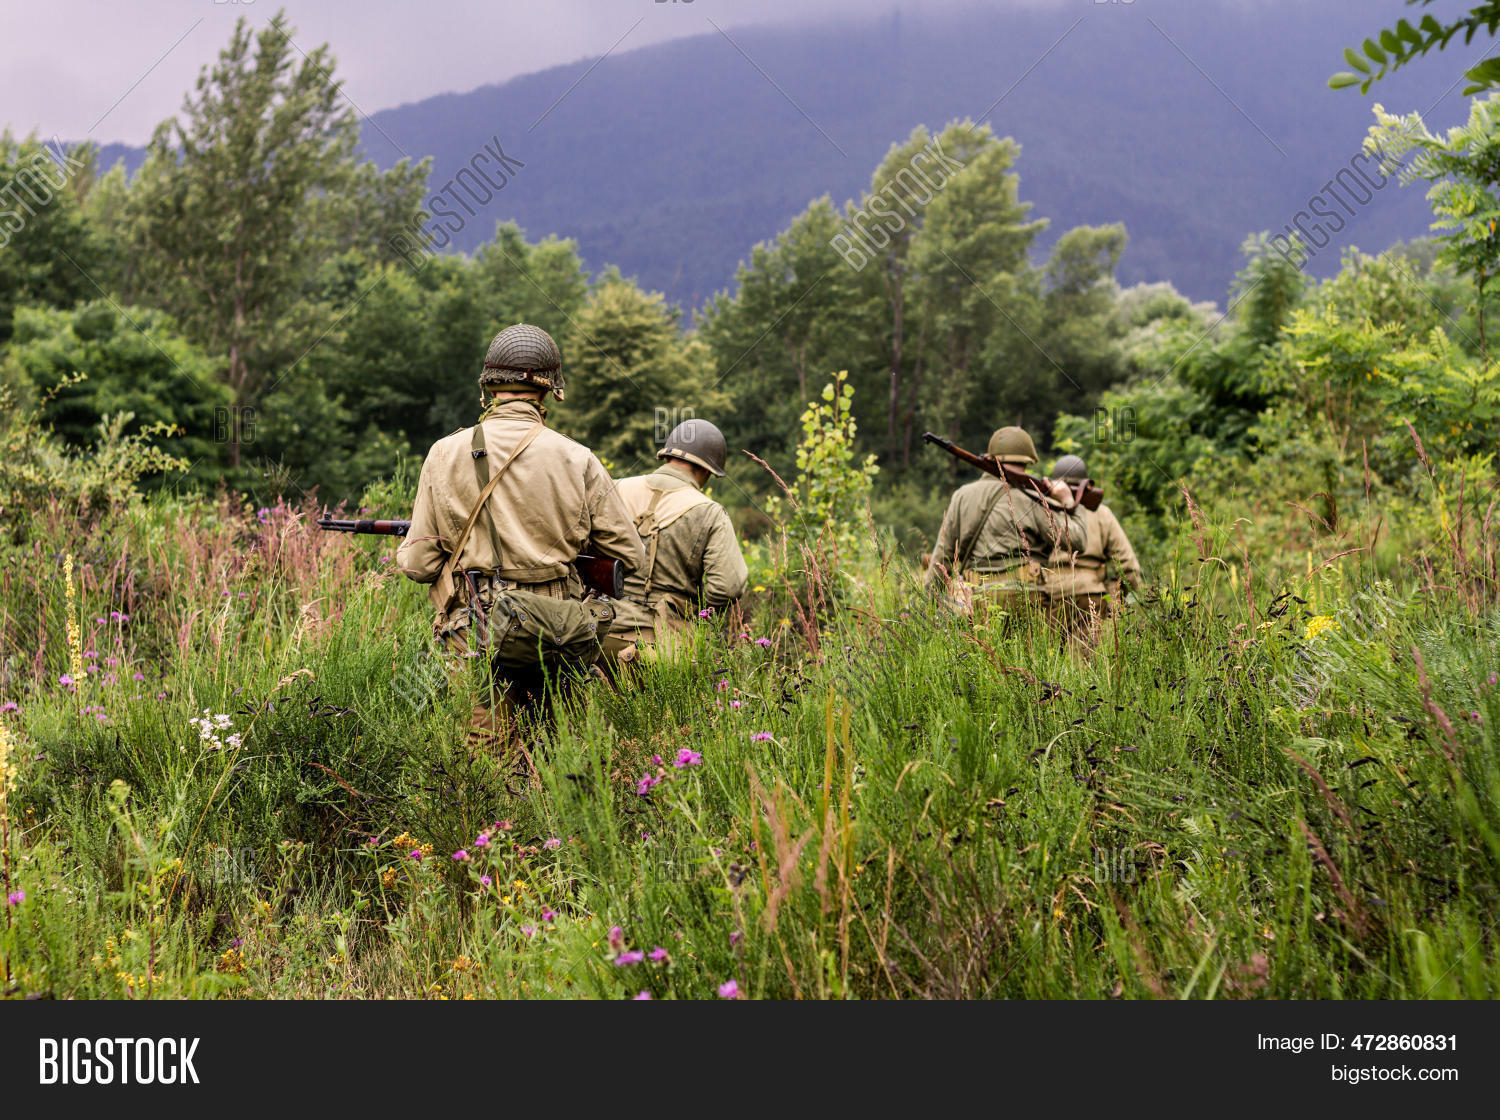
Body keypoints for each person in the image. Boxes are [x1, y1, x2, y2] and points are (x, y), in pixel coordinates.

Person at [395, 323, 645, 764]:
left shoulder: (443, 452)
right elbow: (630, 557)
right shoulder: (577, 457)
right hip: (557, 629)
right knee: (560, 758)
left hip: (475, 627)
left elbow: (417, 565)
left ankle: (493, 832)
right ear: (549, 391)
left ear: (489, 386)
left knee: (485, 764)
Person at [604, 418, 749, 668]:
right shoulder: (709, 512)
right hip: (665, 646)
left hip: (599, 634)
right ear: (707, 470)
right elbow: (727, 587)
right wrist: (699, 617)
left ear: (667, 456)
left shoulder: (614, 488)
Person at [924, 426, 1087, 624]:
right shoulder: (1034, 499)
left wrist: (929, 606)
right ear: (1028, 461)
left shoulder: (961, 496)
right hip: (1025, 598)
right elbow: (1077, 541)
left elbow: (943, 556)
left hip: (974, 599)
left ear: (990, 458)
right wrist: (1068, 501)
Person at [1043, 453, 1144, 648]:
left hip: (1051, 595)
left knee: (1049, 664)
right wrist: (1118, 601)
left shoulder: (1043, 508)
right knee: (1087, 665)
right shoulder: (1101, 513)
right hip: (1092, 596)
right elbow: (1127, 565)